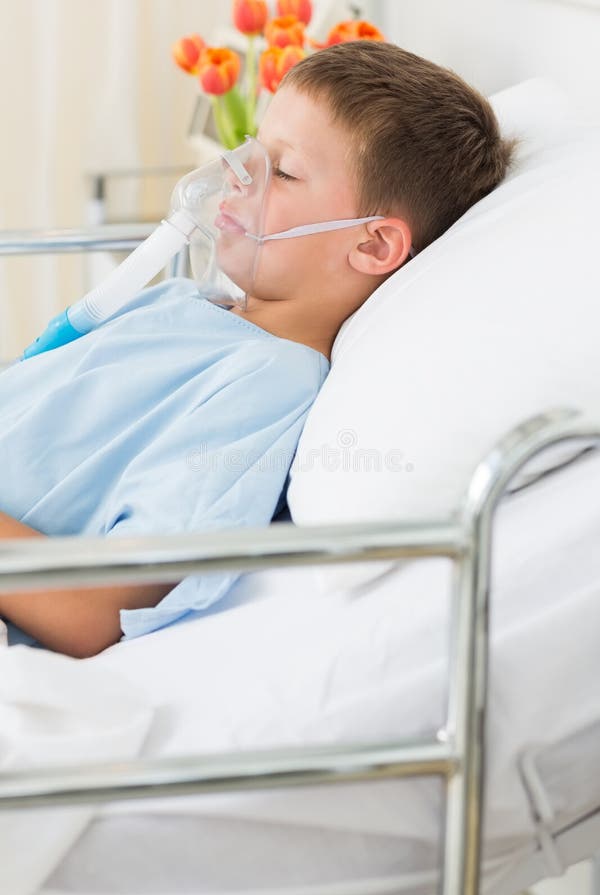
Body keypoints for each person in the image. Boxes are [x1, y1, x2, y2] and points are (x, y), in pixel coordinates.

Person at [0, 41, 515, 658]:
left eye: (286, 169)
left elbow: (95, 610)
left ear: (375, 246)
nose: (237, 172)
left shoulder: (269, 383)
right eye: (253, 145)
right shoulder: (185, 302)